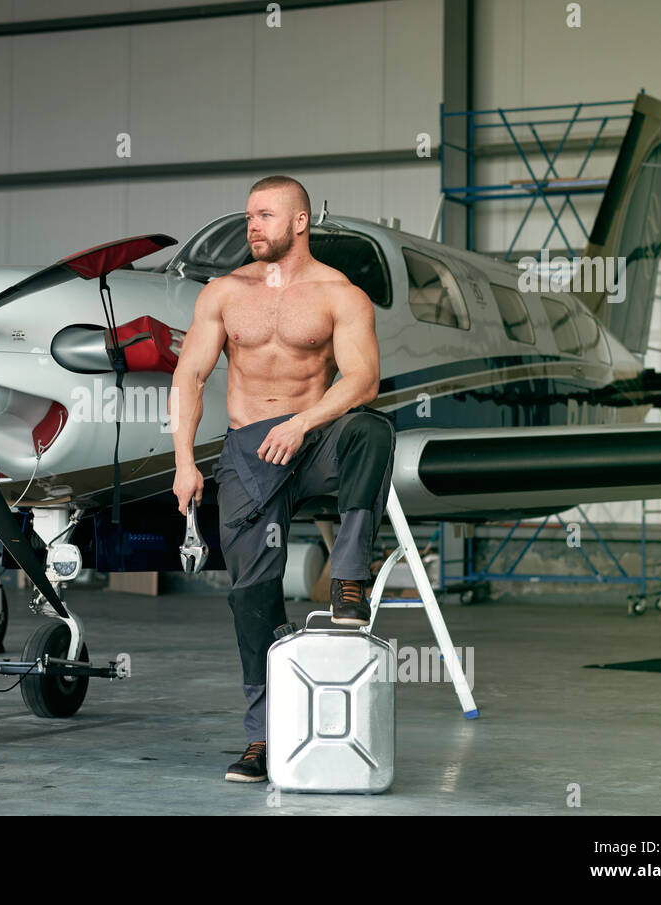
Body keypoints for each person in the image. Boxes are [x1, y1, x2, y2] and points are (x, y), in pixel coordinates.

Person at [168, 175, 395, 783]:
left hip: (314, 439)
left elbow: (361, 381)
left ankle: (348, 579)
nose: (252, 227)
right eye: (248, 217)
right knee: (252, 601)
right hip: (247, 452)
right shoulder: (224, 293)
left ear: (299, 222)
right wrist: (184, 460)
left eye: (265, 215)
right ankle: (262, 738)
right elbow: (189, 376)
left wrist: (302, 423)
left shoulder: (339, 294)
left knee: (372, 430)